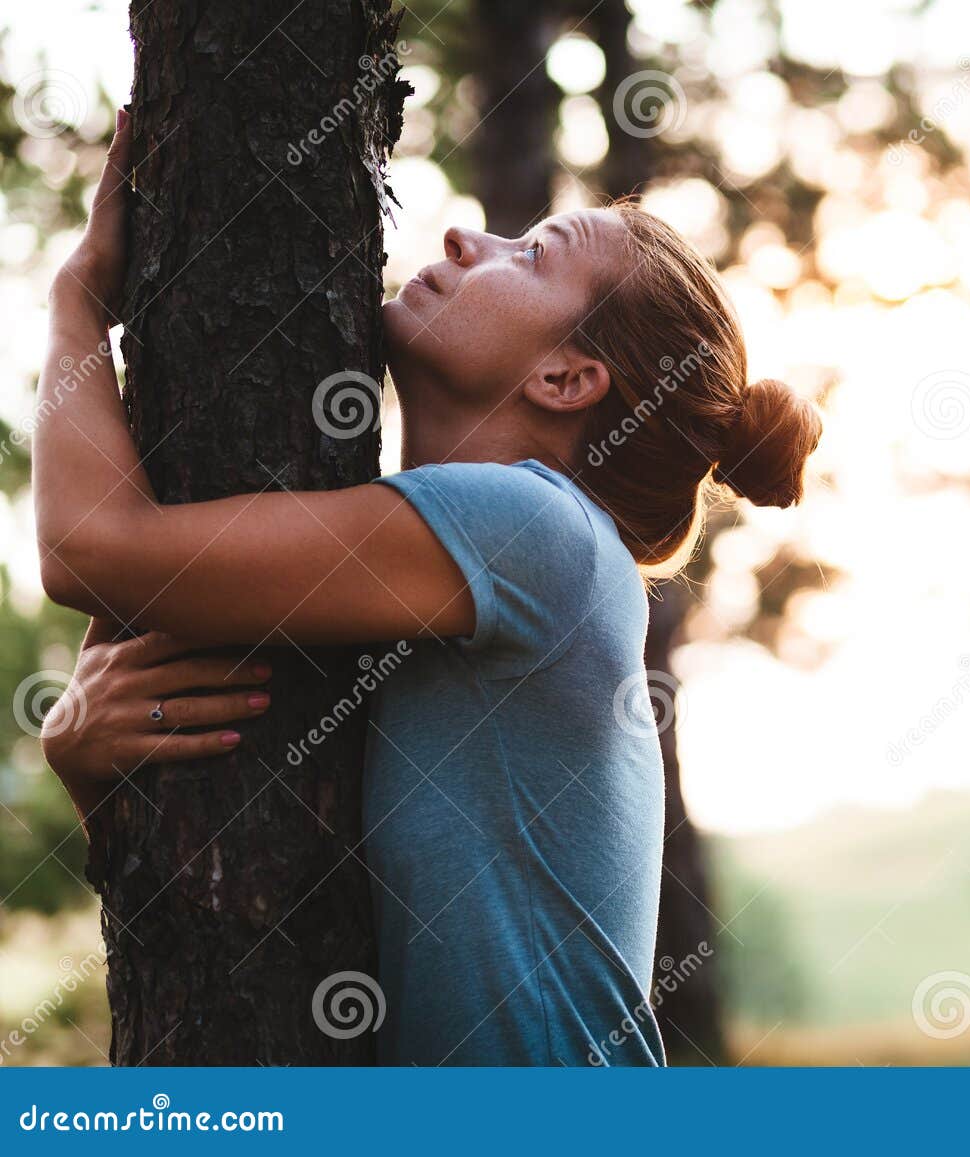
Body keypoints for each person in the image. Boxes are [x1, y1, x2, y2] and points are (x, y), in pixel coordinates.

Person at [34, 110, 822, 1065]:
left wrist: (78, 298)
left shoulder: (540, 535)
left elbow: (92, 551)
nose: (461, 236)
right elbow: (229, 877)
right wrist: (85, 764)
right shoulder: (433, 590)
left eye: (530, 256)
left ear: (570, 379)